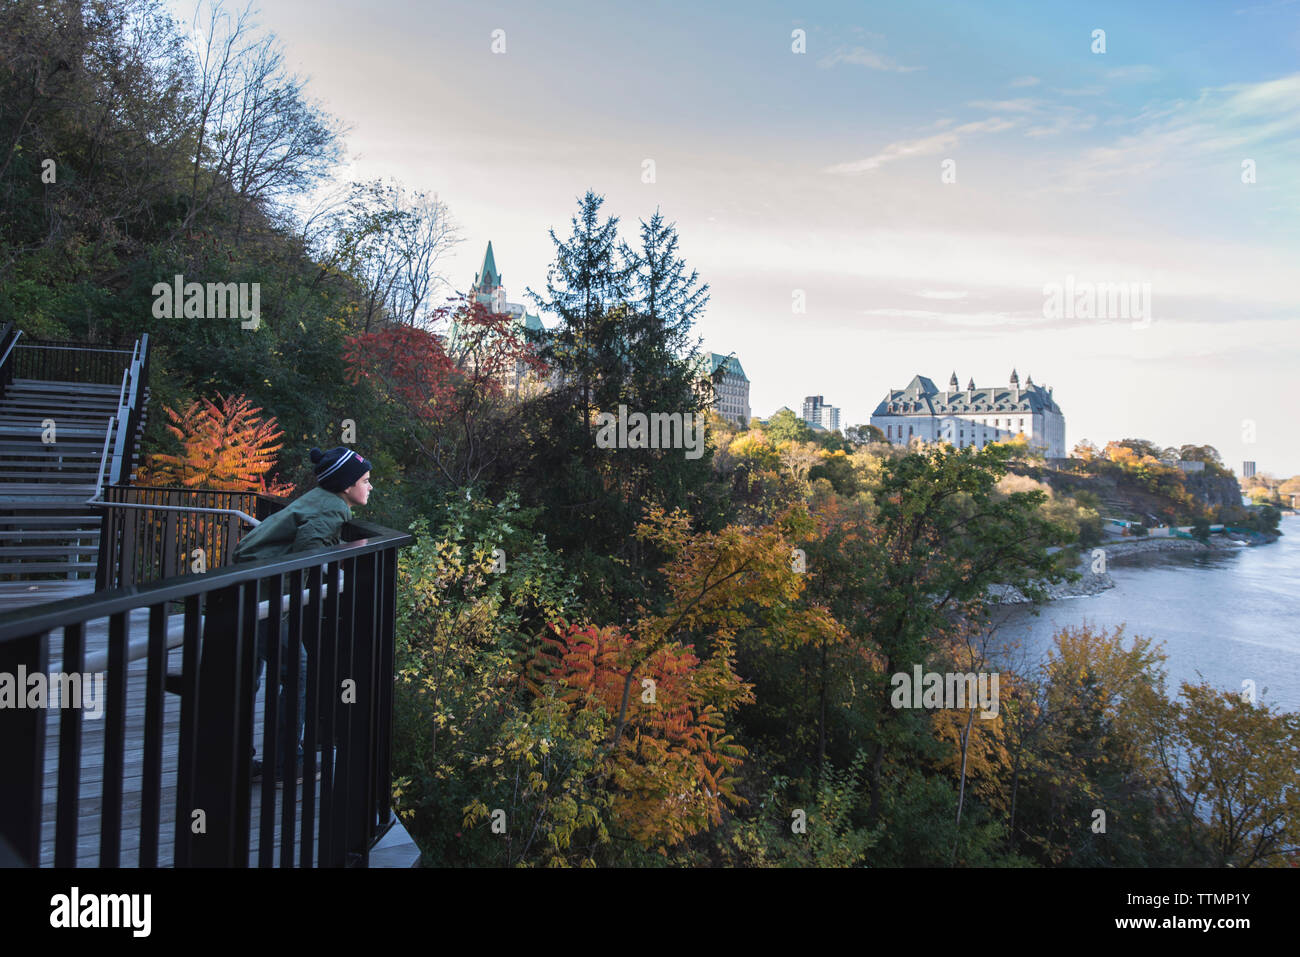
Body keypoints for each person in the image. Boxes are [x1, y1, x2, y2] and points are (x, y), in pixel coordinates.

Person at [232, 446, 373, 784]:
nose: (370, 487)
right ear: (346, 484)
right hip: (264, 598)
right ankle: (285, 762)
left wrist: (340, 550)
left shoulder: (321, 501)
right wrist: (343, 553)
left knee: (246, 678)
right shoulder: (333, 509)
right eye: (366, 480)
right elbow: (306, 554)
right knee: (298, 671)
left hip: (248, 589)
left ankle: (236, 758)